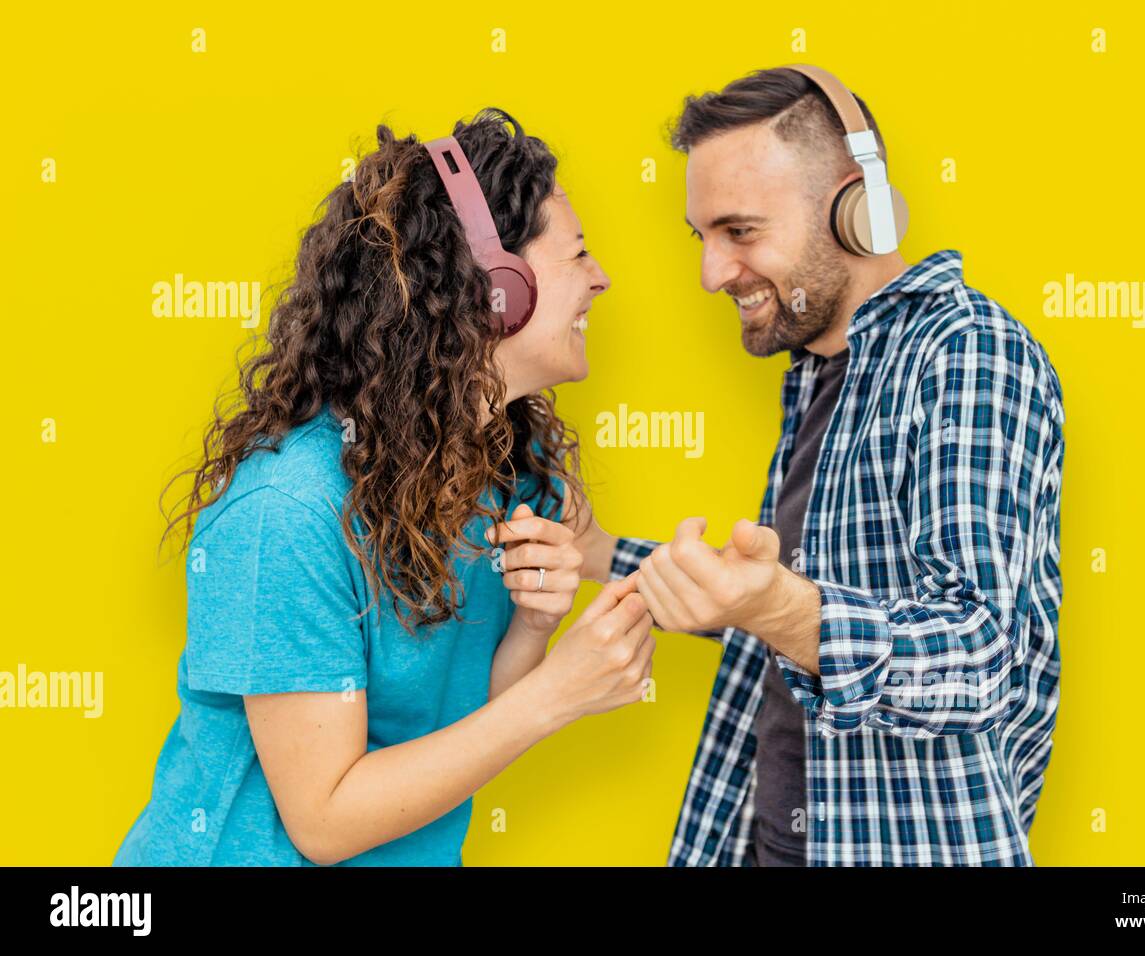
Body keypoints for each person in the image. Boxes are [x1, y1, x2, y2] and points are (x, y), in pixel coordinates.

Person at [114, 109, 655, 867]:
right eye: (578, 254)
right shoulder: (289, 513)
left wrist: (534, 627)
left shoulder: (503, 475)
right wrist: (556, 695)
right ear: (498, 290)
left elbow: (465, 727)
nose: (602, 278)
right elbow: (325, 821)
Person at [573, 66, 1066, 866]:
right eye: (700, 237)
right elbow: (789, 610)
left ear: (855, 208)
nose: (711, 273)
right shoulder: (819, 375)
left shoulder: (969, 355)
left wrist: (777, 608)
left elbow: (981, 661)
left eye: (740, 232)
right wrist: (603, 556)